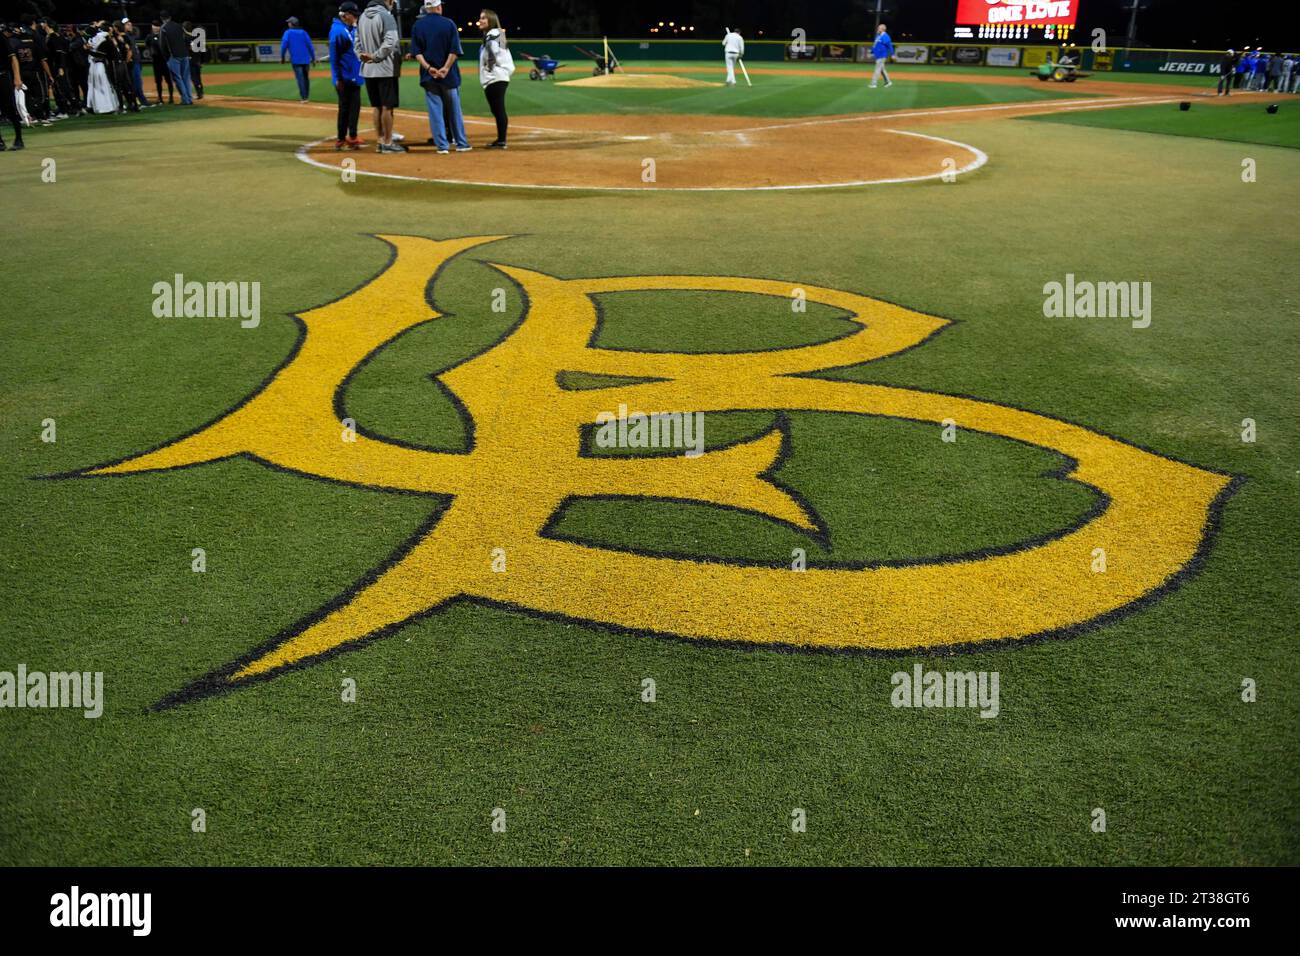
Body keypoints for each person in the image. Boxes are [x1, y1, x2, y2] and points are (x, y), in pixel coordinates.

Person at [411, 0, 470, 154]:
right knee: (454, 111)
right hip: (448, 77)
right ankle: (461, 144)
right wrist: (445, 68)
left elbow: (417, 53)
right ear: (438, 6)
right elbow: (454, 51)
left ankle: (442, 146)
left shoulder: (418, 25)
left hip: (428, 76)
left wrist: (429, 68)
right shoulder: (449, 23)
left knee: (435, 111)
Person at [357, 0, 403, 152]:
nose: (393, 4)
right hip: (385, 69)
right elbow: (391, 41)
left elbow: (356, 42)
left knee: (376, 106)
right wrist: (375, 56)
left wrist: (363, 56)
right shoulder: (386, 16)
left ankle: (380, 141)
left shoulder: (362, 16)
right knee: (387, 107)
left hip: (368, 70)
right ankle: (388, 143)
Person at [330, 2, 365, 149]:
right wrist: (337, 78)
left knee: (351, 107)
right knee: (347, 108)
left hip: (353, 75)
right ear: (346, 15)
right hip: (346, 76)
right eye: (354, 15)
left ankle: (349, 137)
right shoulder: (339, 31)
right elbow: (334, 57)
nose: (356, 18)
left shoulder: (345, 28)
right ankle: (344, 138)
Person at [477, 8, 513, 148]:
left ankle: (501, 141)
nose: (480, 20)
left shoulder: (492, 35)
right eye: (480, 18)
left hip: (495, 77)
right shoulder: (499, 34)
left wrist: (489, 68)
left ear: (490, 20)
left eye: (483, 18)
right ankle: (501, 140)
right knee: (497, 110)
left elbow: (492, 53)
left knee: (498, 110)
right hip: (501, 76)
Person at [84, 22, 119, 114]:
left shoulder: (99, 39)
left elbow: (100, 54)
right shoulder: (102, 38)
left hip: (99, 64)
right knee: (102, 85)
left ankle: (103, 107)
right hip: (98, 65)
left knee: (99, 85)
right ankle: (103, 106)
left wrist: (88, 50)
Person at [159, 12, 193, 105]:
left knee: (178, 78)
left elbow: (162, 45)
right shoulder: (179, 26)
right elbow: (187, 38)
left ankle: (185, 100)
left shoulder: (163, 28)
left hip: (174, 56)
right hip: (185, 55)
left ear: (162, 18)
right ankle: (190, 98)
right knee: (186, 77)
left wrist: (167, 58)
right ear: (170, 17)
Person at [281, 16, 316, 102]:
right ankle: (306, 97)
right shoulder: (304, 32)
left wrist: (282, 57)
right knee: (306, 78)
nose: (288, 24)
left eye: (289, 22)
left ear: (292, 24)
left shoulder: (288, 33)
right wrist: (313, 58)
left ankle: (303, 97)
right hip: (306, 60)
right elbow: (310, 46)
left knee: (300, 79)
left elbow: (284, 46)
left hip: (296, 60)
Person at [1, 23, 24, 151]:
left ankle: (19, 139)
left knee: (10, 108)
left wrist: (17, 77)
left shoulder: (1, 38)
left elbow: (13, 58)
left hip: (2, 77)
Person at [121, 18, 151, 108]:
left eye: (130, 24)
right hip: (132, 62)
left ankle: (137, 101)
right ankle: (142, 101)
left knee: (137, 82)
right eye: (127, 24)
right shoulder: (124, 36)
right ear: (123, 27)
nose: (130, 25)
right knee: (136, 83)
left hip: (137, 61)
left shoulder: (131, 35)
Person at [148, 21, 174, 104]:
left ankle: (171, 97)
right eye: (154, 25)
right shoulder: (149, 37)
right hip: (156, 62)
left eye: (157, 26)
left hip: (165, 61)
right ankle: (160, 98)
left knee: (169, 80)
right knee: (158, 81)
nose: (155, 27)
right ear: (152, 27)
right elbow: (148, 46)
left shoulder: (164, 36)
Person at [869, 22, 893, 88]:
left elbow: (889, 45)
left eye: (879, 28)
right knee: (882, 70)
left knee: (877, 69)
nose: (877, 29)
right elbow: (875, 44)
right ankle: (888, 82)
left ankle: (874, 84)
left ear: (882, 29)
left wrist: (892, 53)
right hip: (878, 55)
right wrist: (872, 51)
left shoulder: (885, 36)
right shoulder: (878, 36)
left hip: (882, 55)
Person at [184, 21, 205, 99]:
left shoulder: (185, 37)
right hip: (197, 60)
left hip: (190, 60)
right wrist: (202, 61)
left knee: (193, 77)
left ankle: (199, 93)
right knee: (198, 77)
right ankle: (200, 91)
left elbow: (186, 49)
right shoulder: (197, 37)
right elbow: (202, 50)